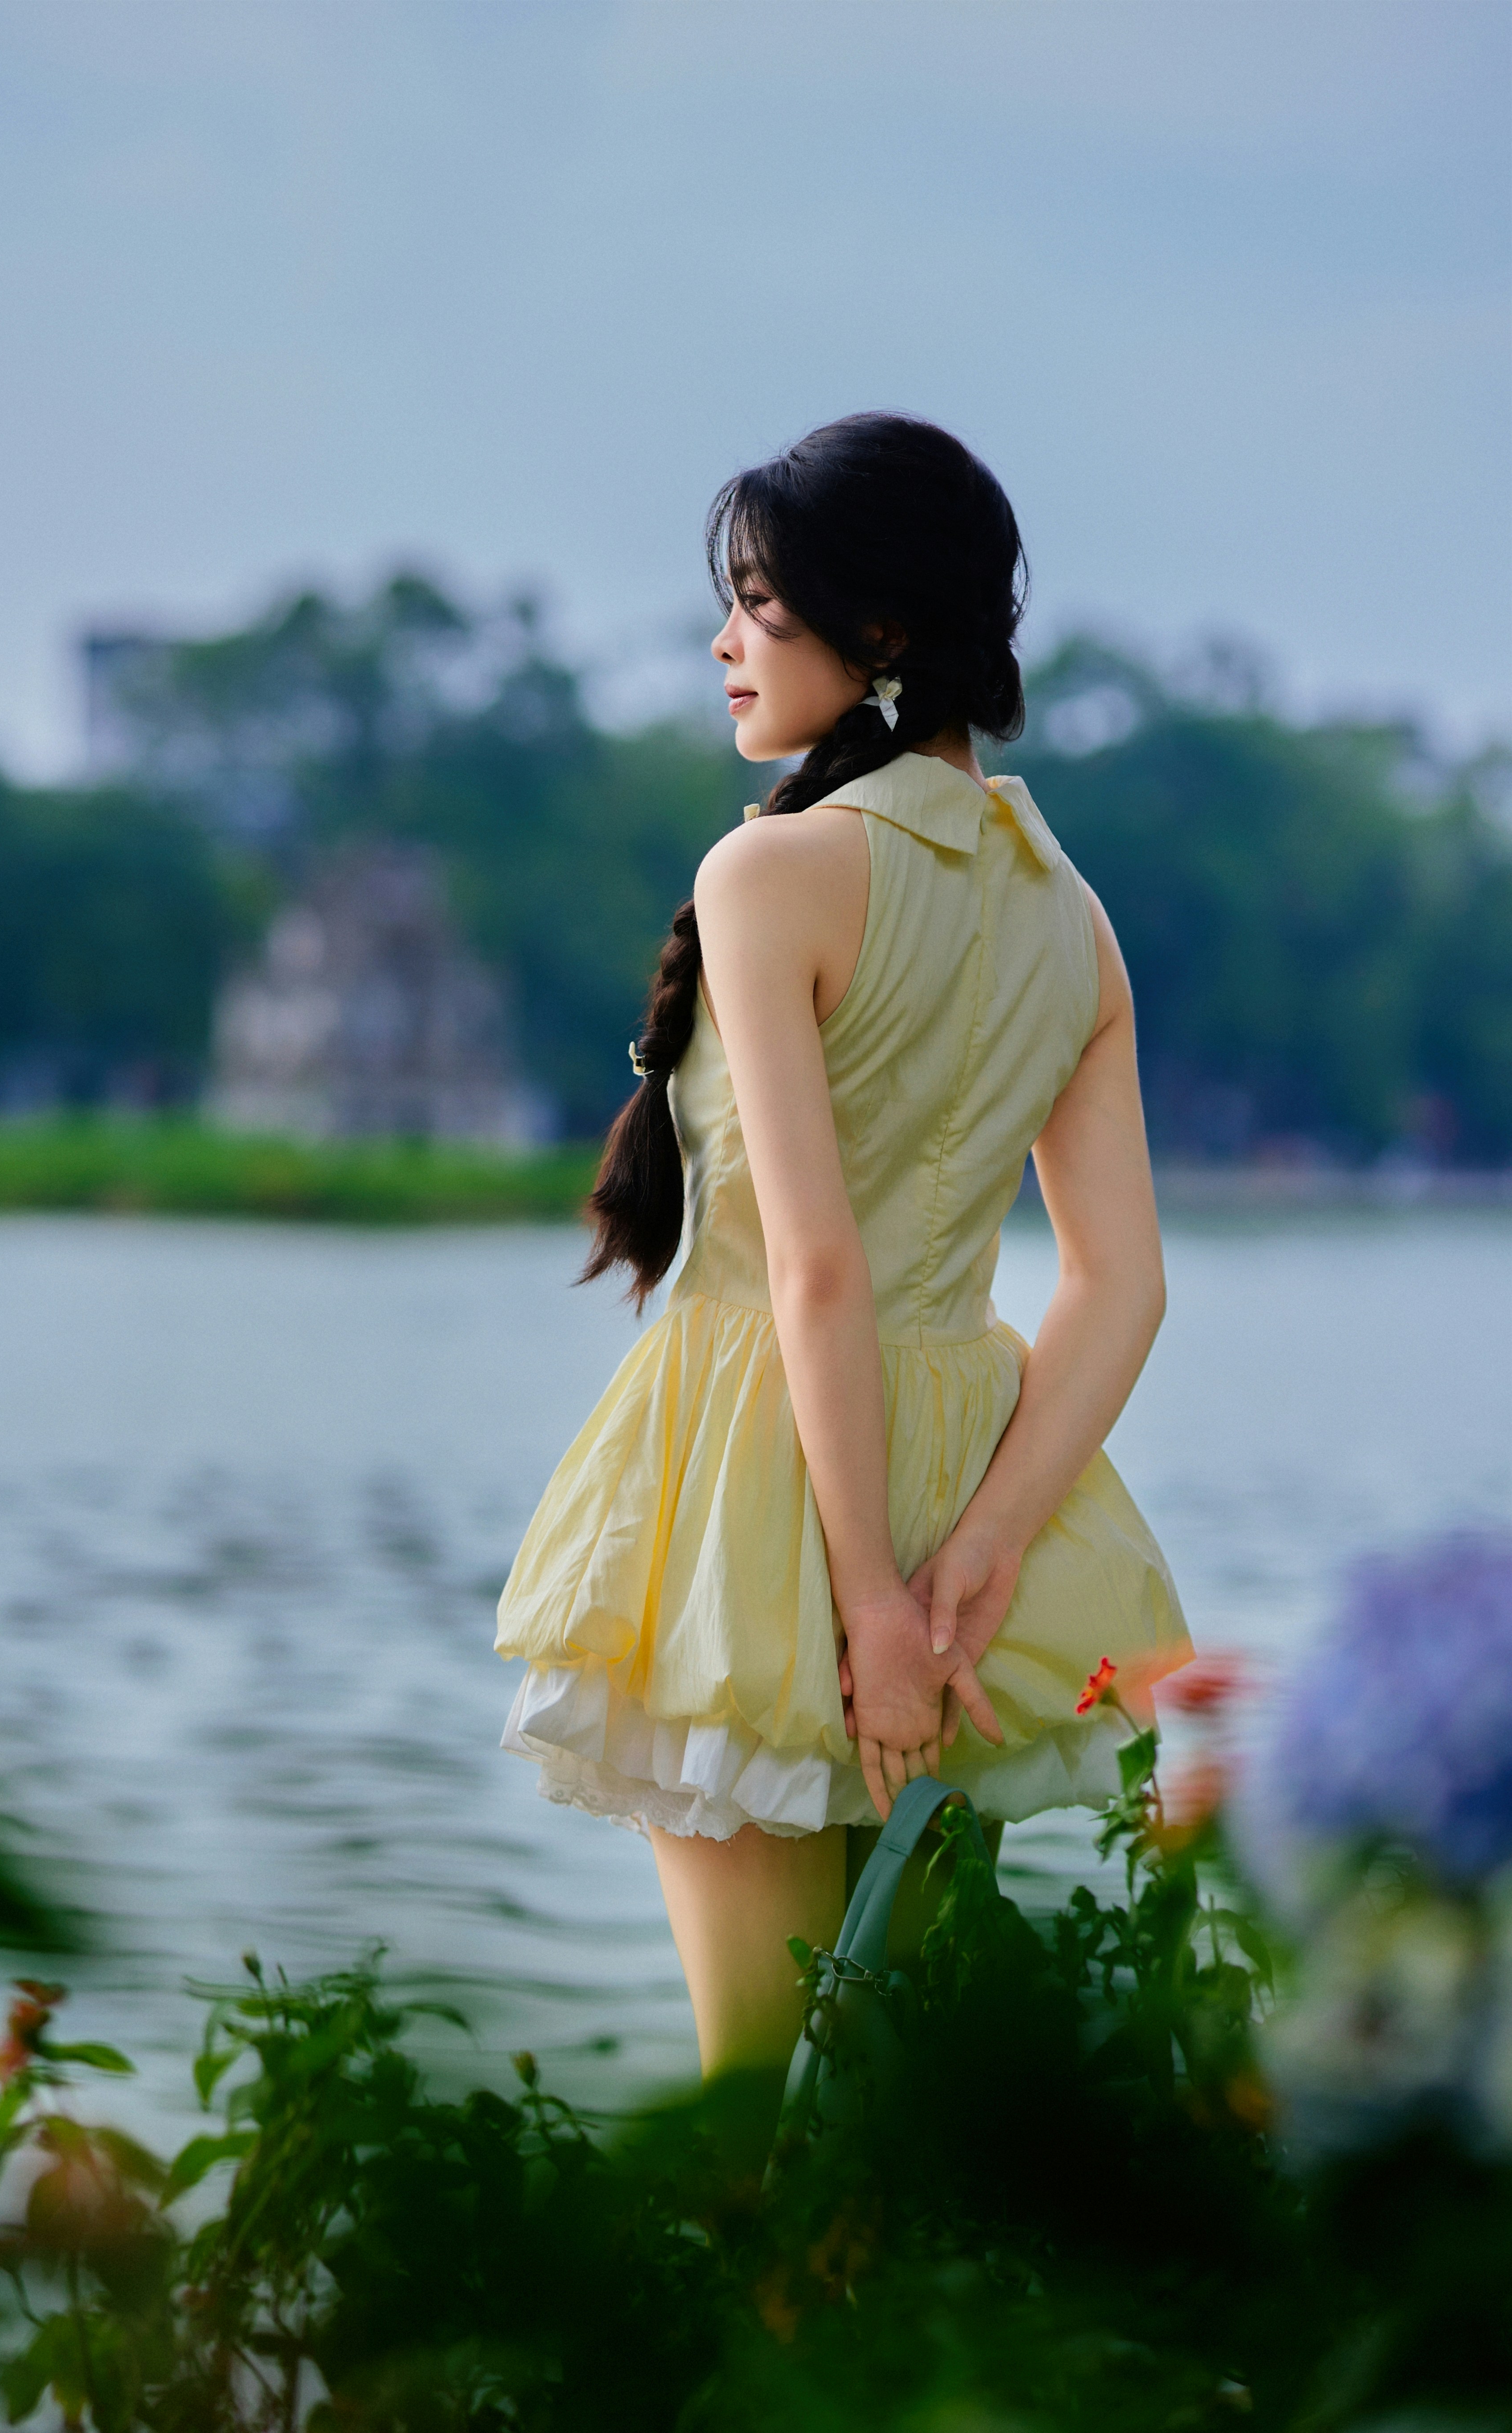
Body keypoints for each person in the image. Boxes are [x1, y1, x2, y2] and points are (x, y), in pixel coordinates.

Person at [496, 413, 1191, 2092]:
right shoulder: (1072, 914)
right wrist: (979, 1562)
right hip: (965, 1487)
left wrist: (874, 1600)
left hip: (772, 1492)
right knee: (894, 2097)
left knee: (755, 2102)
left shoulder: (775, 872)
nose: (724, 644)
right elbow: (1121, 1286)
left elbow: (812, 1273)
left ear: (877, 632)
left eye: (760, 605)